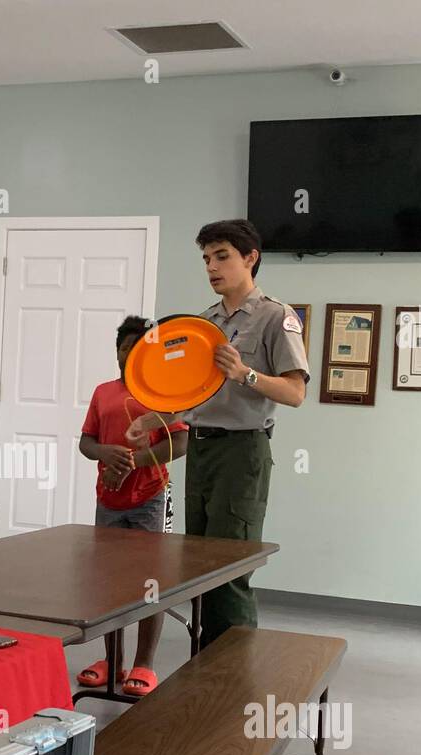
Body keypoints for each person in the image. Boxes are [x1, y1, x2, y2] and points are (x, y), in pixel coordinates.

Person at [126, 219, 309, 646]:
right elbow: (191, 394)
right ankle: (205, 663)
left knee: (230, 567)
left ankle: (232, 673)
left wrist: (245, 374)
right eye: (206, 258)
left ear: (250, 258)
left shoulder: (276, 317)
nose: (211, 266)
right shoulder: (203, 324)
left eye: (222, 256)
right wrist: (151, 419)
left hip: (242, 452)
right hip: (202, 449)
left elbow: (296, 393)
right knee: (201, 564)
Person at [76, 316, 189, 697]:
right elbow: (86, 442)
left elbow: (181, 444)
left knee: (148, 583)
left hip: (150, 499)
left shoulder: (164, 394)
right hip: (108, 500)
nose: (128, 354)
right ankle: (113, 661)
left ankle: (144, 664)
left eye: (137, 347)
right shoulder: (103, 392)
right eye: (123, 347)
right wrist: (105, 454)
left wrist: (130, 464)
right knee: (110, 584)